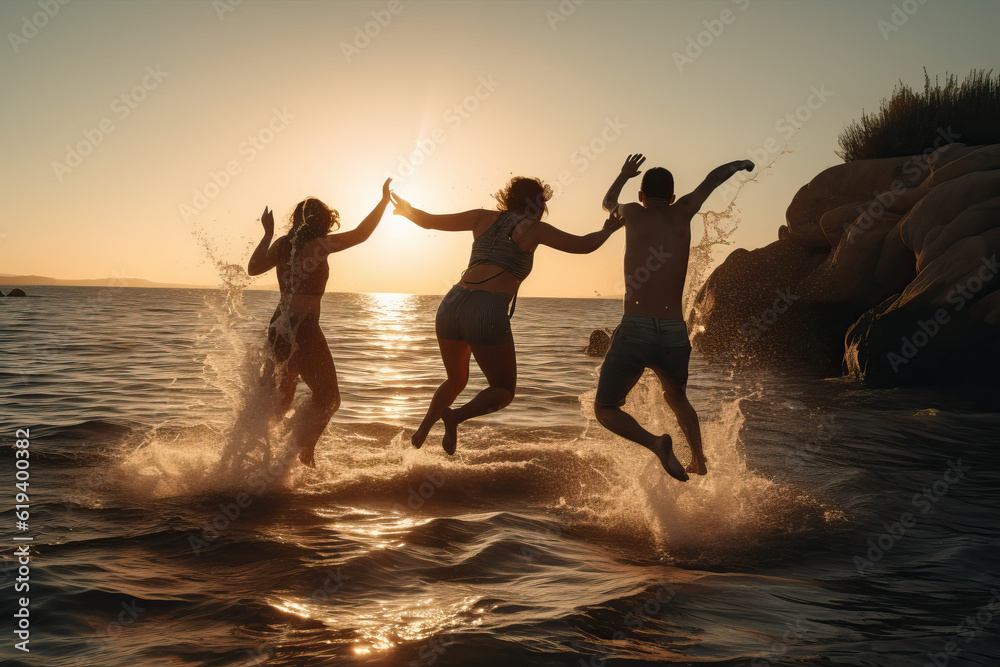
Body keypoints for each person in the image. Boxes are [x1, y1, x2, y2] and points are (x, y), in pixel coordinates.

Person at [390, 177, 623, 454]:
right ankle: (455, 417)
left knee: (456, 379)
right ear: (538, 203)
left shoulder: (481, 217)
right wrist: (609, 229)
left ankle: (424, 428)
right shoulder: (534, 229)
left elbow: (427, 220)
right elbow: (584, 245)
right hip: (485, 307)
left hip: (451, 303)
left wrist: (407, 210)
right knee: (503, 390)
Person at [594, 154, 753, 482]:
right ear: (672, 197)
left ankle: (656, 443)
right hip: (673, 332)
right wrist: (738, 165)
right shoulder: (684, 211)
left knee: (606, 408)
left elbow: (607, 201)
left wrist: (624, 174)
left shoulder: (631, 212)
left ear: (642, 196)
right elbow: (712, 179)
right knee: (678, 398)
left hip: (635, 326)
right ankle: (698, 459)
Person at [247, 178, 392, 466]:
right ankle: (304, 453)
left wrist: (267, 234)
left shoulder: (282, 245)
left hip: (279, 326)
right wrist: (384, 201)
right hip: (304, 327)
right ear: (324, 222)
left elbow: (252, 269)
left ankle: (252, 457)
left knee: (278, 402)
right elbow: (362, 234)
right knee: (329, 398)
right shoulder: (320, 245)